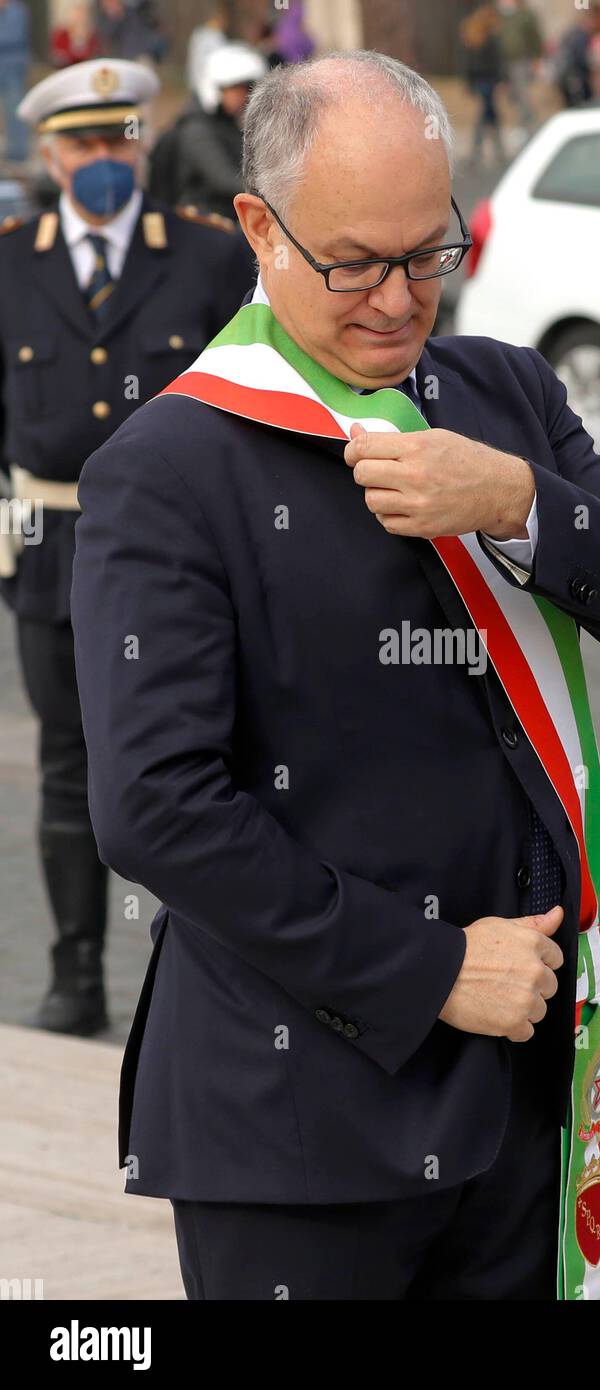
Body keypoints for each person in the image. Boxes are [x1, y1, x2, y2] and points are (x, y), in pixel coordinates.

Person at [69, 51, 600, 1301]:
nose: (397, 298)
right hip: (299, 1127)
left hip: (520, 1101)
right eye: (355, 262)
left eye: (430, 253)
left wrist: (522, 503)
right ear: (258, 228)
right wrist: (432, 970)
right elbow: (154, 807)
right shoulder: (169, 466)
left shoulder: (503, 393)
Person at [0, 59, 254, 1035]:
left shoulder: (208, 256)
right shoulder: (10, 262)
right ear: (49, 154)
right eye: (83, 142)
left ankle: (196, 979)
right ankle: (74, 976)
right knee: (67, 766)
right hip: (52, 549)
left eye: (119, 137)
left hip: (180, 556)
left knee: (196, 765)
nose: (103, 157)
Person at [168, 43, 266, 223]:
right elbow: (224, 179)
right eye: (235, 89)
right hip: (205, 221)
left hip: (230, 217)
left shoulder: (227, 123)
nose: (243, 96)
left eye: (246, 88)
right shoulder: (197, 129)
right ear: (215, 89)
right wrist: (273, 190)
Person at [460, 4, 506, 168]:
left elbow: (468, 63)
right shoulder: (489, 39)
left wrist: (469, 82)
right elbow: (496, 62)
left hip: (479, 81)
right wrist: (500, 79)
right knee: (488, 115)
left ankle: (483, 151)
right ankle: (490, 151)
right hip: (487, 81)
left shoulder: (473, 38)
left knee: (488, 114)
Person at [497, 0, 543, 136]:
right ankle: (517, 125)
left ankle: (529, 127)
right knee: (511, 96)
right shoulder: (498, 15)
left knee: (522, 94)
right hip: (501, 62)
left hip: (520, 61)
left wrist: (536, 58)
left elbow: (534, 37)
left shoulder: (525, 15)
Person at [0, 0, 29, 163]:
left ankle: (18, 153)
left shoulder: (17, 11)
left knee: (14, 112)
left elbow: (12, 37)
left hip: (12, 69)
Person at [186, 1, 228, 95]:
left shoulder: (218, 36)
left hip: (213, 77)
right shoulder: (203, 35)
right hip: (203, 76)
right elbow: (196, 59)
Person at [555, 10, 594, 106]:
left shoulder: (571, 33)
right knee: (583, 101)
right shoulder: (580, 36)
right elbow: (580, 58)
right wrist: (589, 69)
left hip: (565, 74)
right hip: (574, 74)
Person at [51, 3, 103, 69]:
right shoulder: (61, 35)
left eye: (81, 16)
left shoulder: (93, 37)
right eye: (76, 16)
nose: (78, 20)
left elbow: (95, 58)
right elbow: (59, 58)